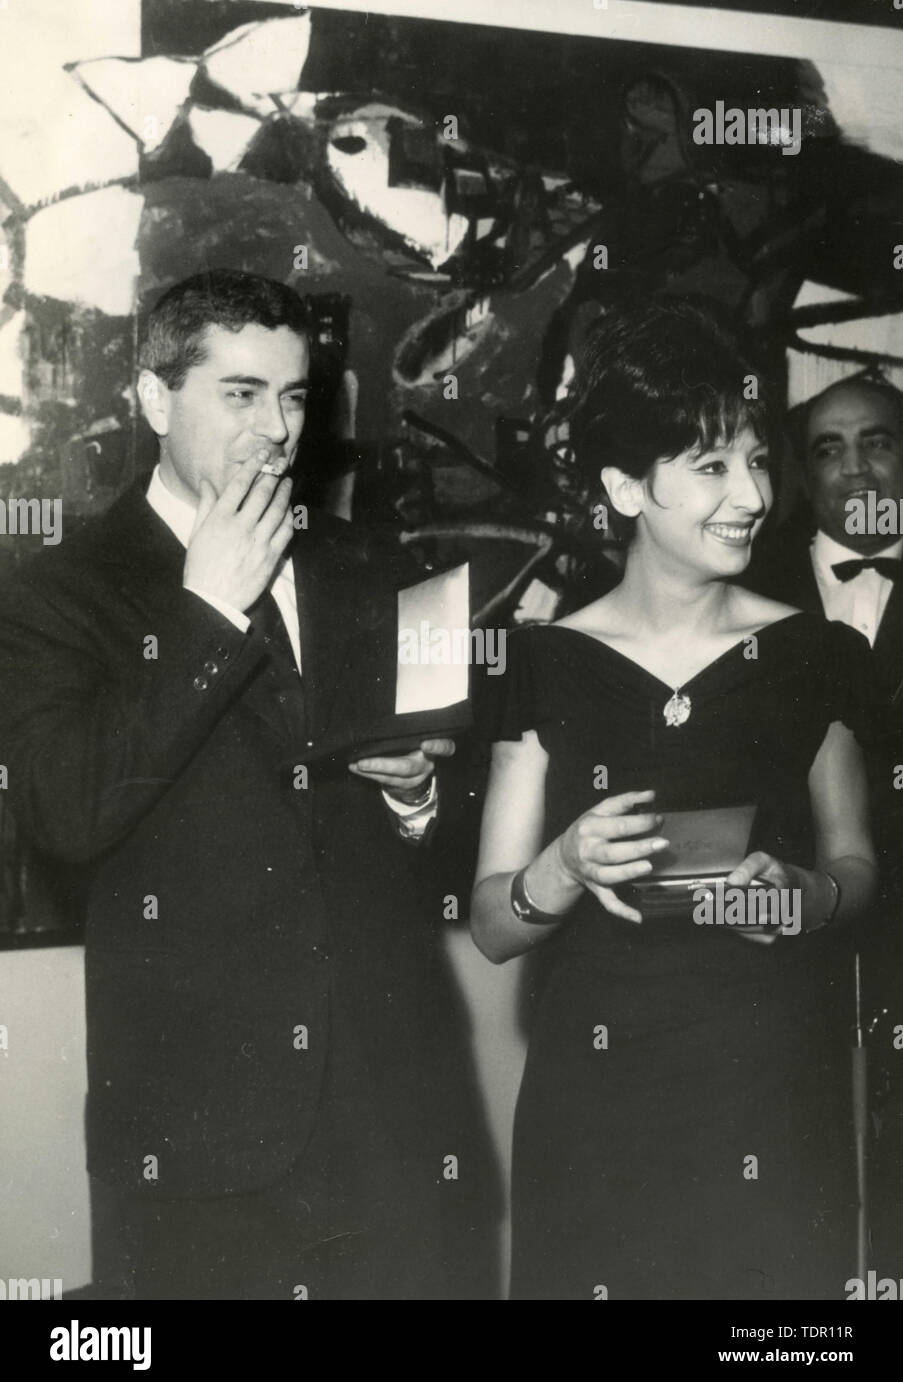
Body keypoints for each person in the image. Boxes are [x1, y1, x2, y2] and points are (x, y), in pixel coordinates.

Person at [0, 269, 497, 1300]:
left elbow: (436, 852)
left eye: (295, 395)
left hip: (392, 1117)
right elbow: (62, 813)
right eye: (240, 393)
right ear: (151, 398)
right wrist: (208, 616)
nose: (276, 429)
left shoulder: (358, 565)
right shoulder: (56, 593)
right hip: (198, 1139)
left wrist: (415, 799)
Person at [470, 296, 877, 1300]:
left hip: (771, 1090)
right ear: (623, 486)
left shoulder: (813, 652)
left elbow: (858, 865)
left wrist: (799, 894)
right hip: (596, 1103)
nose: (750, 494)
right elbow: (490, 923)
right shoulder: (547, 663)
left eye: (757, 461)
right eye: (710, 467)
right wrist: (562, 865)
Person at [749, 371, 903, 1272]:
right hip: (789, 936)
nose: (857, 470)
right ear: (802, 478)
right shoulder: (740, 590)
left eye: (878, 441)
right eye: (828, 450)